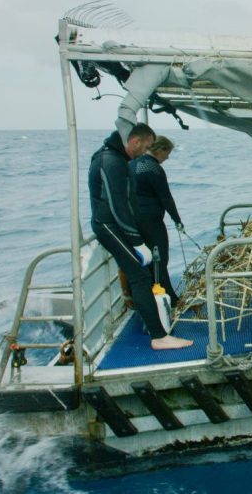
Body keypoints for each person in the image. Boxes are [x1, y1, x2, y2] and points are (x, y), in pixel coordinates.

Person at [88, 123, 193, 351]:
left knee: (141, 275)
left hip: (120, 225)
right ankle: (158, 336)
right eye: (145, 147)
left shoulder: (119, 159)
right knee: (140, 276)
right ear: (135, 141)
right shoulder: (112, 162)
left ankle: (156, 328)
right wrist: (136, 241)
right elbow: (118, 205)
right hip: (109, 226)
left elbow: (128, 202)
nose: (146, 151)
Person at [130, 135, 184, 307]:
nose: (167, 158)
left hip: (132, 220)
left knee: (143, 259)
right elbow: (165, 197)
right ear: (160, 150)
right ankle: (170, 298)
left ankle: (146, 297)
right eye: (167, 154)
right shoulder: (154, 169)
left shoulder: (131, 164)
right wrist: (177, 219)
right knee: (160, 257)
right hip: (151, 220)